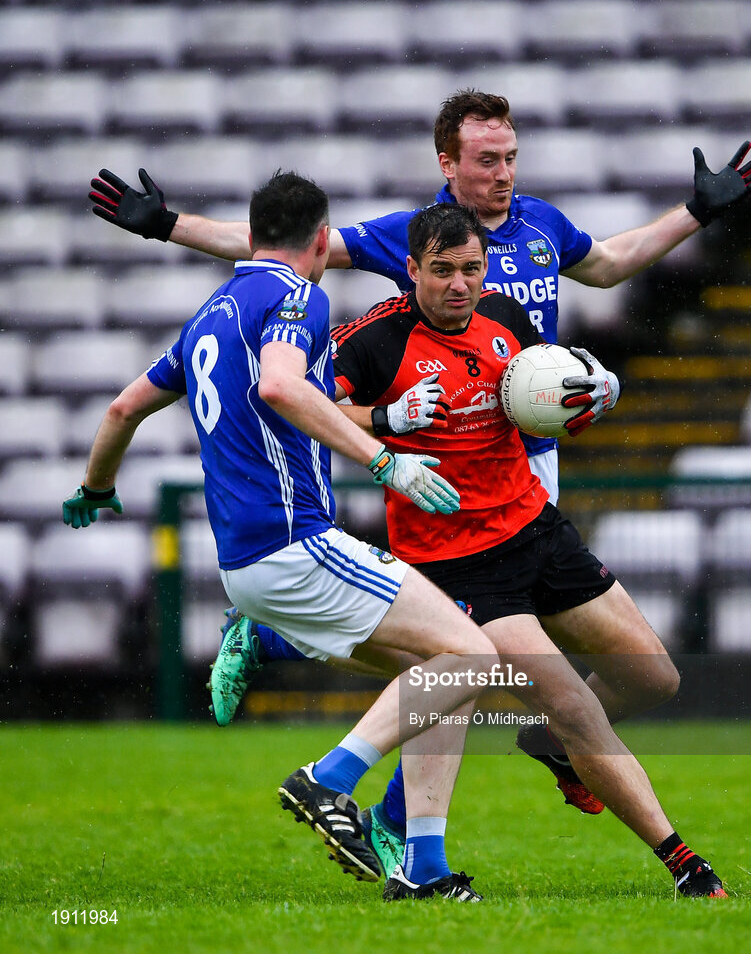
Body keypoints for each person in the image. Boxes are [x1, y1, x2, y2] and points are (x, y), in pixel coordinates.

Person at [211, 202, 728, 900]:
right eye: (443, 270)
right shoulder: (371, 340)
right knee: (573, 704)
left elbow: (550, 388)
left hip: (537, 529)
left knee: (652, 678)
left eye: (471, 269)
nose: (459, 284)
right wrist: (386, 419)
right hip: (459, 563)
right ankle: (684, 864)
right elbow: (302, 406)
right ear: (411, 270)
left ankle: (536, 749)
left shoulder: (506, 316)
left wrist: (593, 391)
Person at [62, 171, 503, 902]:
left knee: (442, 675)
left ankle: (422, 869)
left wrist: (96, 487)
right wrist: (386, 461)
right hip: (294, 541)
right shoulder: (298, 295)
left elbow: (120, 410)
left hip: (244, 564)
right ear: (322, 241)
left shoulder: (209, 315)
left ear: (253, 236)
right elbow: (280, 385)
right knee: (474, 655)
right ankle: (327, 780)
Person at [88, 89, 751, 503]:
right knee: (474, 633)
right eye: (486, 160)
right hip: (450, 446)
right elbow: (282, 245)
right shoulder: (415, 234)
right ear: (447, 162)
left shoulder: (542, 223)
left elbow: (610, 265)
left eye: (510, 158)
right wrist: (169, 226)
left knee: (517, 633)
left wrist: (697, 213)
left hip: (533, 445)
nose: (504, 174)